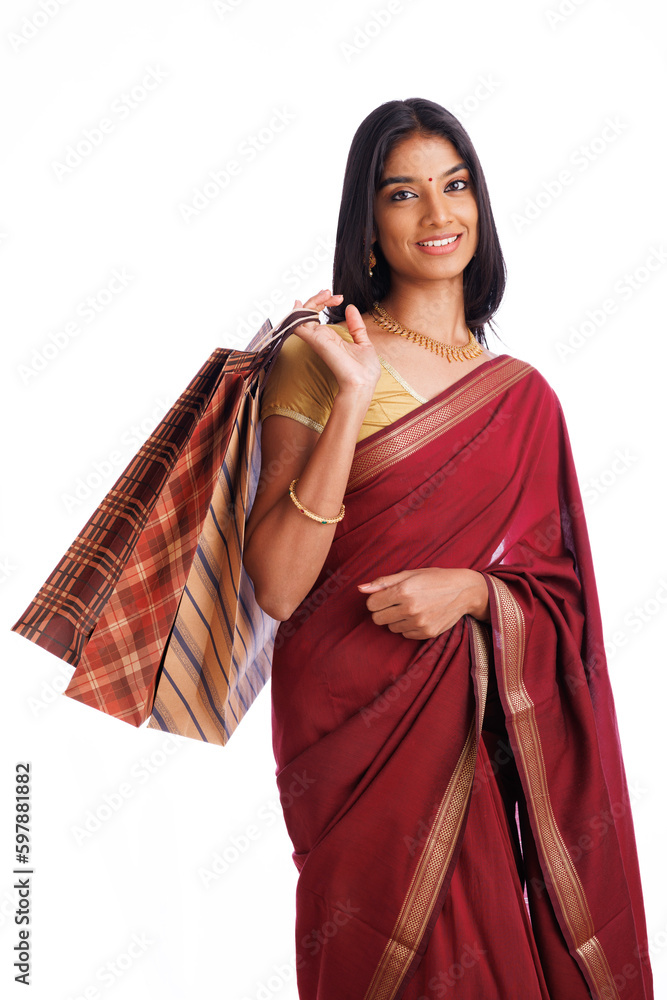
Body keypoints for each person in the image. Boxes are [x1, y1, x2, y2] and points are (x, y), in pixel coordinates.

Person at [242, 98, 653, 999]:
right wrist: (351, 395)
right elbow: (276, 585)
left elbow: (566, 616)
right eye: (403, 194)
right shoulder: (316, 357)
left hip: (467, 737)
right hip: (352, 743)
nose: (437, 216)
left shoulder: (523, 398)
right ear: (368, 220)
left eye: (455, 185)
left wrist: (475, 592)